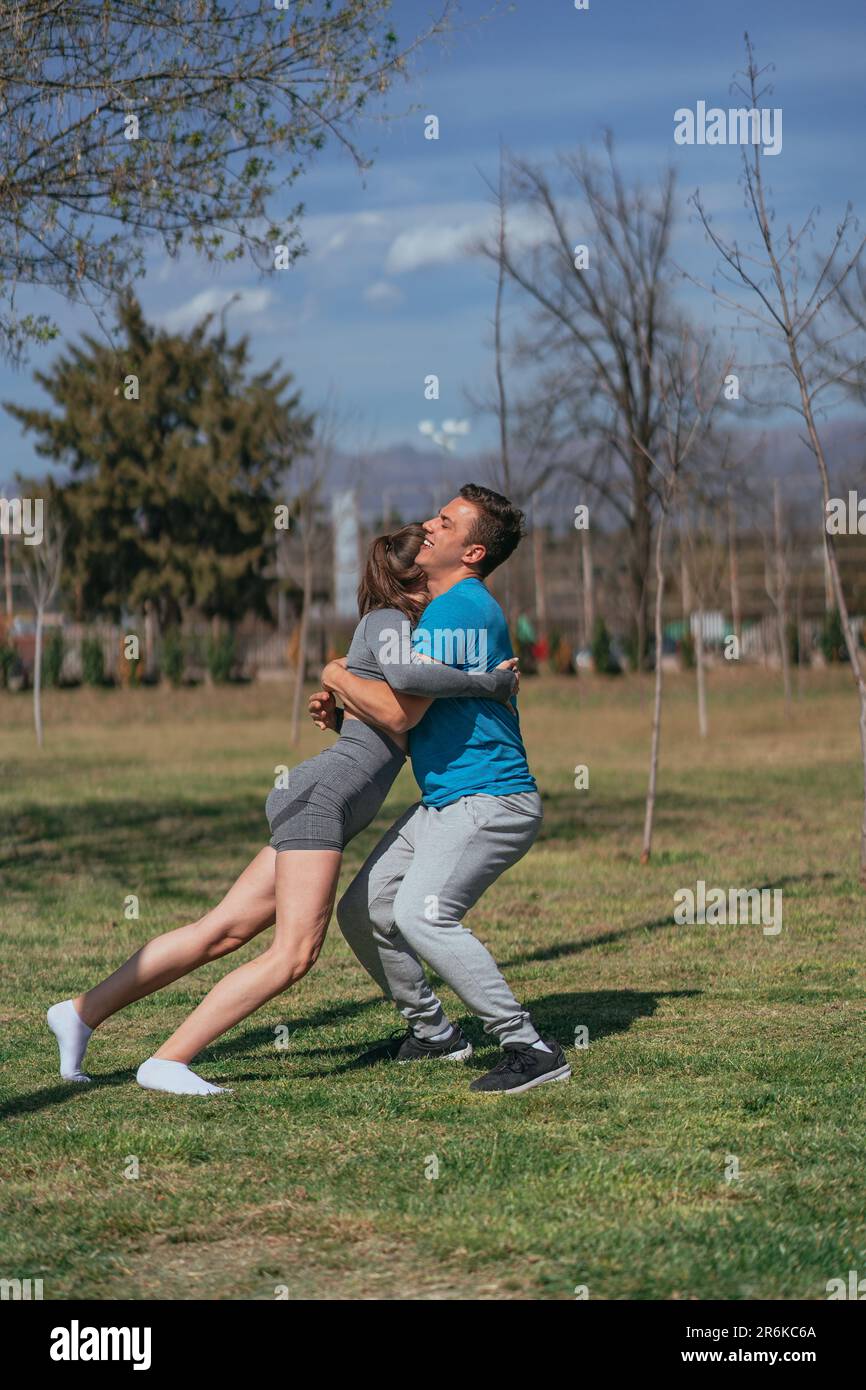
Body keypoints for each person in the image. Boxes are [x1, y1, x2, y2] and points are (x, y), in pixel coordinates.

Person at [46, 523, 517, 1096]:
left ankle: (78, 1013)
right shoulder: (391, 622)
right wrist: (483, 682)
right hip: (324, 799)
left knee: (219, 930)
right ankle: (169, 1060)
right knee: (294, 954)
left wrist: (340, 695)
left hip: (320, 796)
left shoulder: (398, 629)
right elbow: (399, 706)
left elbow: (385, 707)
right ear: (414, 576)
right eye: (428, 558)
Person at [312, 484, 571, 1095]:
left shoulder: (459, 609)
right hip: (446, 799)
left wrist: (336, 674)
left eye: (446, 522)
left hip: (489, 798)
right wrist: (347, 702)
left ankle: (528, 1046)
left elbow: (400, 705)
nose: (428, 525)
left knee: (422, 914)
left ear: (473, 552)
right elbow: (395, 702)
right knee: (363, 908)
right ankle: (433, 1035)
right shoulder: (436, 608)